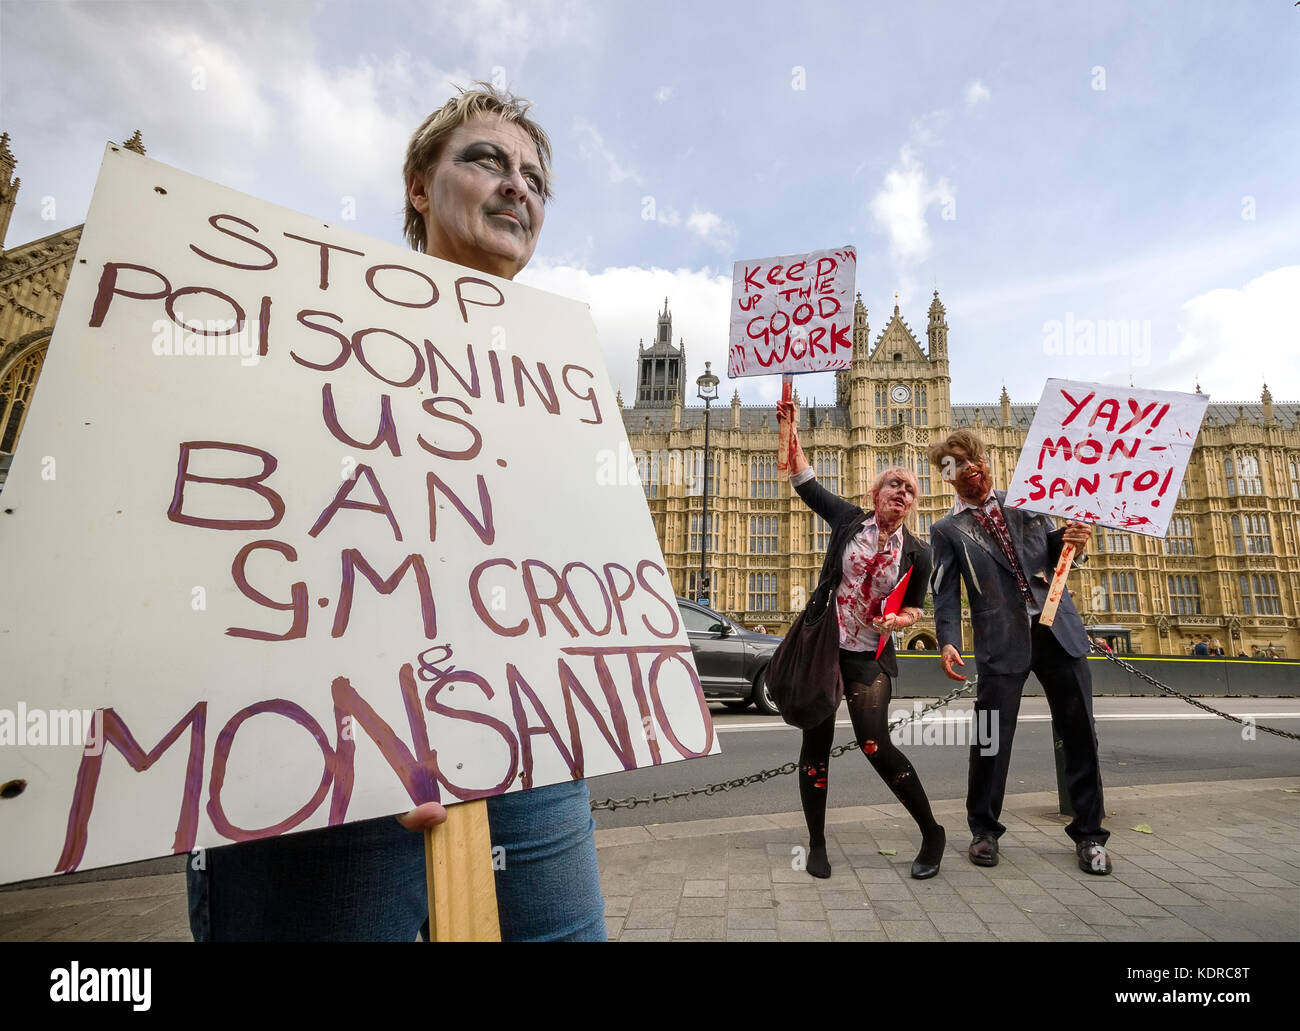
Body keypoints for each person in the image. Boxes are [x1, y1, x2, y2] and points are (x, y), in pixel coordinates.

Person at [187, 84, 606, 941]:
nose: (517, 185)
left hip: (529, 741)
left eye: (535, 176)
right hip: (330, 743)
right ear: (420, 186)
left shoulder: (559, 382)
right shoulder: (310, 319)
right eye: (487, 159)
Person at [927, 429, 1112, 875]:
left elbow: (1050, 553)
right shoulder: (947, 530)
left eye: (979, 464)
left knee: (1080, 732)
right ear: (948, 477)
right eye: (962, 469)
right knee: (991, 737)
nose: (975, 473)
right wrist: (948, 639)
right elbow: (946, 593)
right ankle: (984, 830)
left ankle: (1090, 835)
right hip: (1001, 638)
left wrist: (1074, 540)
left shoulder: (1028, 502)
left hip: (1057, 628)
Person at [777, 398, 944, 881]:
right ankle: (816, 843)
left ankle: (932, 831)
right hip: (826, 649)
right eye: (895, 484)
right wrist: (790, 429)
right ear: (876, 492)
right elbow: (804, 481)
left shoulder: (919, 553)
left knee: (876, 745)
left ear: (915, 503)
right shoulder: (849, 521)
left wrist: (904, 620)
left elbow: (917, 605)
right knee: (816, 744)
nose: (903, 492)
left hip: (868, 656)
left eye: (911, 489)